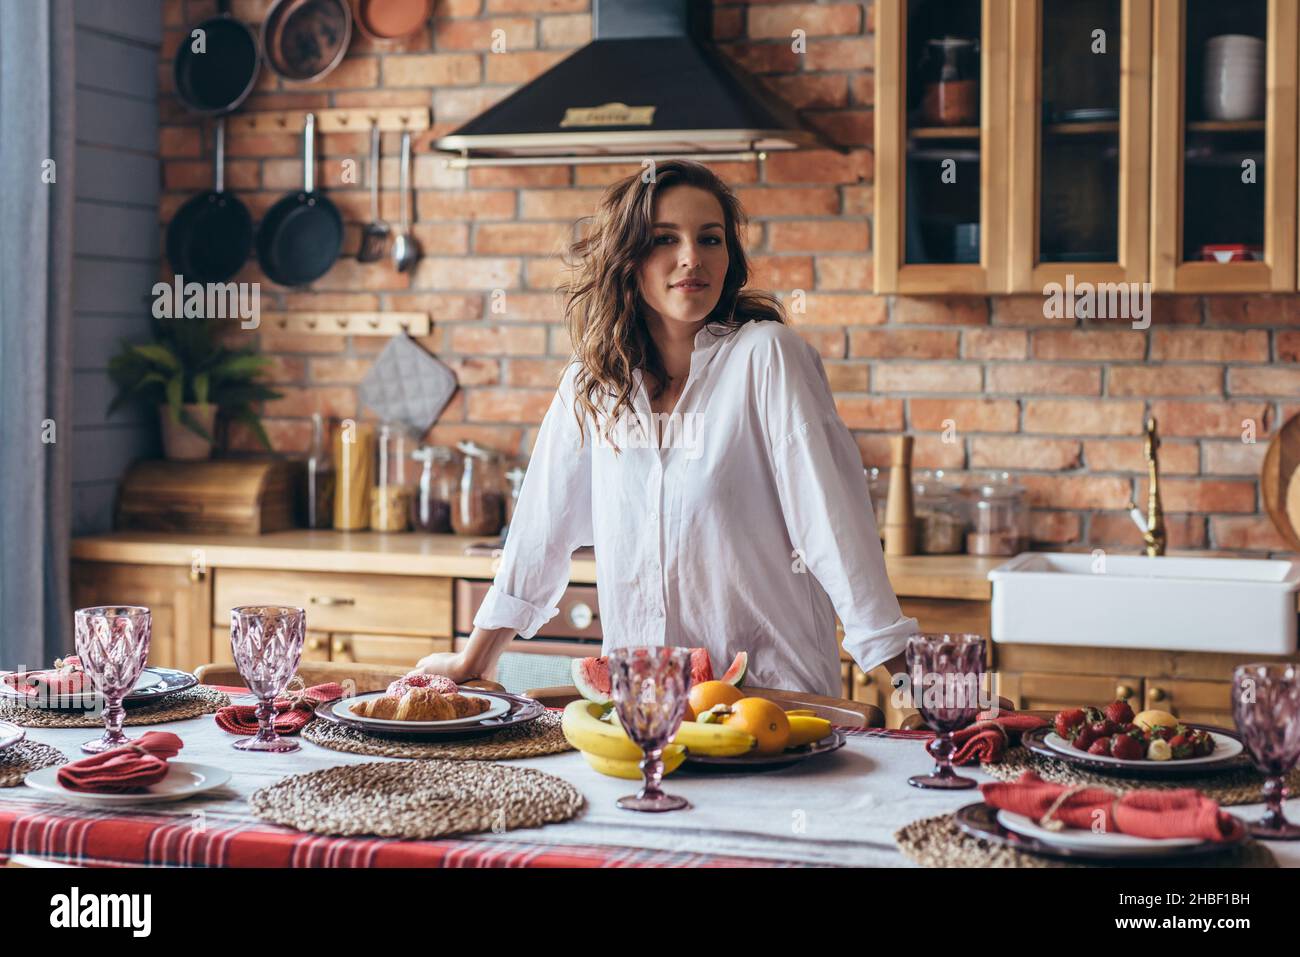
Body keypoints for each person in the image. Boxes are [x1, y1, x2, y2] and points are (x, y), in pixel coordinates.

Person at [417, 159, 917, 697]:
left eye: (710, 239)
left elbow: (836, 532)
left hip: (773, 700)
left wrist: (916, 688)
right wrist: (475, 659)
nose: (691, 257)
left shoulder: (769, 357)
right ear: (628, 258)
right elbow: (539, 533)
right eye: (665, 239)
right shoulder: (591, 384)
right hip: (643, 706)